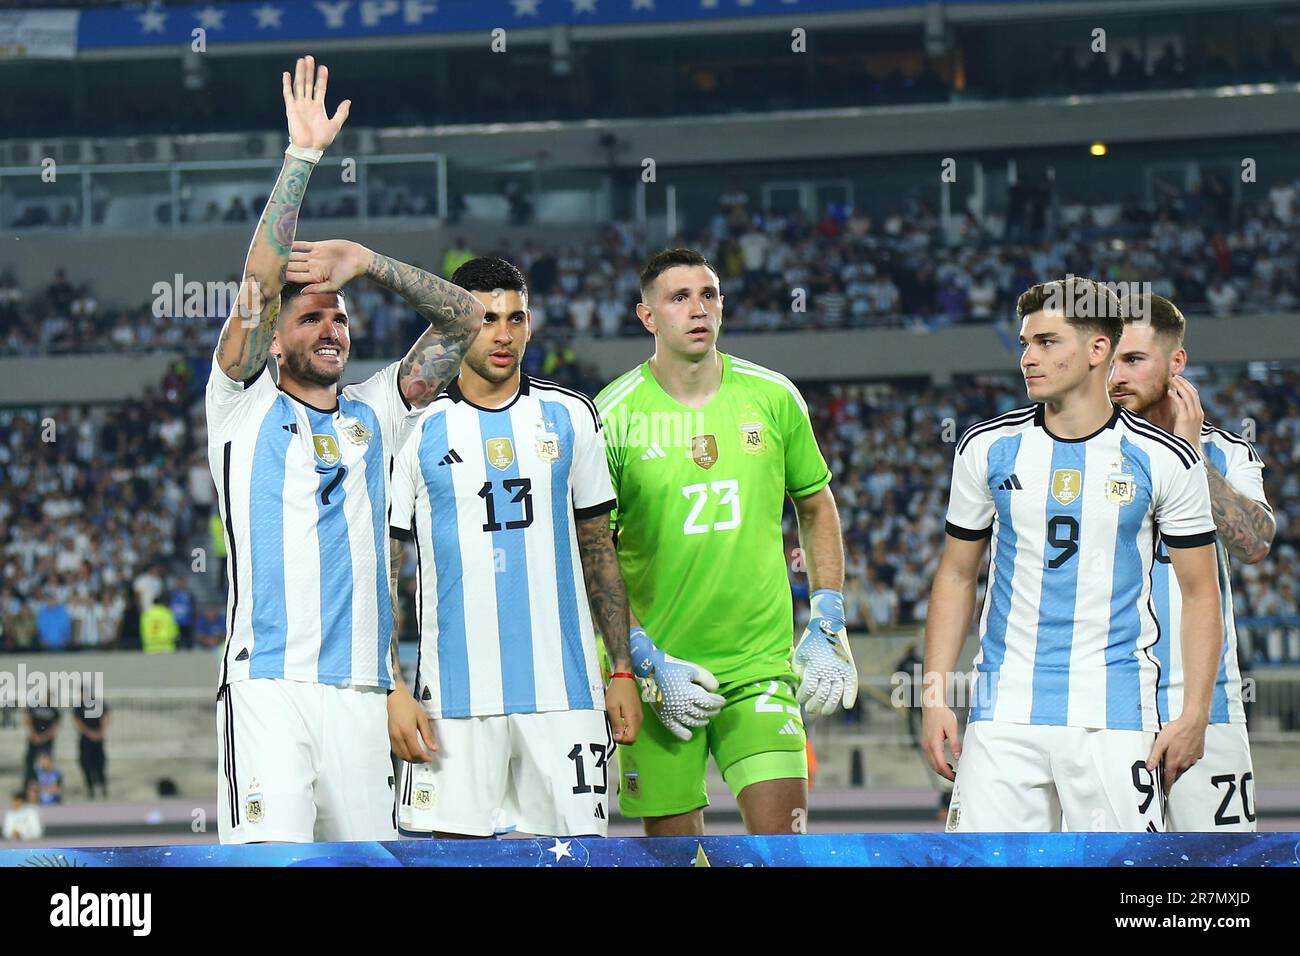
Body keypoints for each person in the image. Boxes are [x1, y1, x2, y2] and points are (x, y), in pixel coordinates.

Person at [207, 56, 483, 845]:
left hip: (363, 696)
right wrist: (301, 161)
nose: (330, 327)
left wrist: (365, 260)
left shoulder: (377, 412)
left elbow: (466, 317)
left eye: (339, 317)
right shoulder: (239, 406)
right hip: (269, 690)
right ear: (275, 340)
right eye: (310, 319)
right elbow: (258, 285)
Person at [922, 277, 1222, 832]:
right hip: (1002, 711)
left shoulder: (1164, 458)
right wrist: (936, 695)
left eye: (1047, 342)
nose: (1028, 359)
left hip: (1115, 712)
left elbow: (1201, 592)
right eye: (1025, 344)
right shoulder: (986, 448)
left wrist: (1195, 715)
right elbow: (957, 576)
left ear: (1097, 351)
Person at [593, 247, 858, 836]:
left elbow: (815, 507)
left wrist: (828, 617)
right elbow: (596, 554)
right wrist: (636, 655)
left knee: (781, 851)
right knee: (675, 859)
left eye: (709, 295)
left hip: (759, 665)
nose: (698, 309)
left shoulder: (774, 397)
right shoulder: (611, 416)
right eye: (679, 297)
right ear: (647, 316)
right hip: (659, 672)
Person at [387, 257, 642, 838]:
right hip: (451, 699)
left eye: (515, 318)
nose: (502, 334)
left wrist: (621, 670)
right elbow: (389, 569)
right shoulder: (417, 429)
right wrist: (393, 684)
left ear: (530, 326)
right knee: (449, 859)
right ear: (459, 326)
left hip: (567, 693)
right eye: (485, 319)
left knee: (577, 857)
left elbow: (598, 548)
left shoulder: (573, 416)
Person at [1110, 295, 1275, 831]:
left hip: (1207, 709)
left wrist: (1189, 456)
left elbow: (1254, 544)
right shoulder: (1082, 454)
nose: (1115, 375)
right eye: (1108, 358)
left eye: (1133, 360)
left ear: (1176, 364)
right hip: (1105, 709)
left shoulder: (1227, 453)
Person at [74, 700, 110, 800]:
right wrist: (90, 733)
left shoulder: (99, 704)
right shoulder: (79, 706)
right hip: (86, 740)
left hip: (98, 740)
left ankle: (103, 787)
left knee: (100, 764)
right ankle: (91, 788)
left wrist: (101, 731)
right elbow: (77, 721)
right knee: (86, 764)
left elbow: (107, 717)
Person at [23, 703, 60, 788]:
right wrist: (34, 734)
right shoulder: (34, 706)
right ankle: (29, 786)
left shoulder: (53, 709)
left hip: (46, 740)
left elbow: (56, 724)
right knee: (30, 762)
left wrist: (44, 736)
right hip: (34, 739)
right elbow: (27, 719)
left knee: (46, 762)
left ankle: (47, 786)